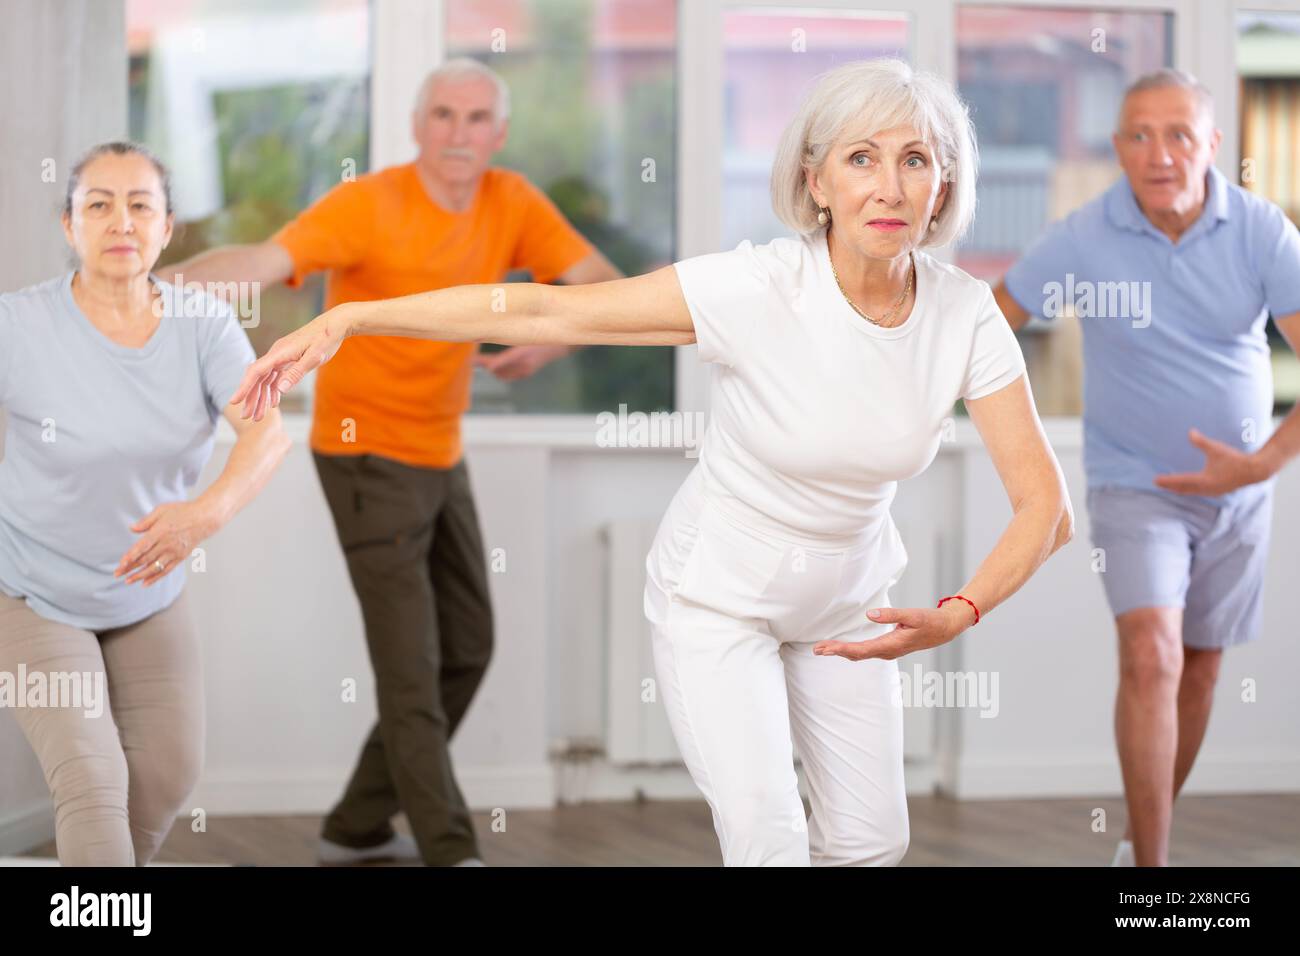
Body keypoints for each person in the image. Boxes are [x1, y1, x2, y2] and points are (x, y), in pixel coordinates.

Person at [229, 58, 1074, 867]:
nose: (889, 186)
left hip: (847, 604)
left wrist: (960, 611)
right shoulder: (757, 290)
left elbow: (1046, 507)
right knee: (771, 844)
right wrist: (356, 318)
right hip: (719, 600)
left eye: (915, 160)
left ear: (944, 188)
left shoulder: (963, 314)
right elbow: (539, 310)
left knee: (871, 843)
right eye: (862, 158)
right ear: (818, 183)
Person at [166, 58, 622, 866]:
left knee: (469, 647)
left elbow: (604, 288)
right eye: (442, 115)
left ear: (499, 134)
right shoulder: (369, 204)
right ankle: (453, 851)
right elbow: (265, 263)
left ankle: (355, 824)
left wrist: (551, 339)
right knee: (411, 668)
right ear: (418, 126)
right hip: (364, 456)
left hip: (440, 454)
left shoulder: (511, 202)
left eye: (476, 118)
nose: (458, 133)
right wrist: (160, 283)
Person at [992, 68, 1300, 867]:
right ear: (1118, 146)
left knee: (1198, 671)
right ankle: (1153, 880)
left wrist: (1261, 462)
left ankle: (1136, 846)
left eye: (1178, 134)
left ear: (1212, 145)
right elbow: (992, 326)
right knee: (1152, 653)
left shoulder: (1263, 233)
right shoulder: (1082, 236)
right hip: (1135, 487)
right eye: (1138, 134)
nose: (1158, 153)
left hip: (1241, 493)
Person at [0, 142, 291, 865]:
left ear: (167, 229)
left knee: (163, 777)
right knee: (93, 783)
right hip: (31, 592)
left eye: (140, 205)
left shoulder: (205, 327)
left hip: (146, 592)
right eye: (97, 204)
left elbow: (266, 434)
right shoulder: (17, 326)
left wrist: (205, 514)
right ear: (69, 226)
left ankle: (95, 905)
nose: (120, 221)